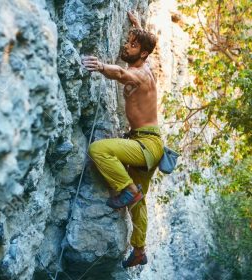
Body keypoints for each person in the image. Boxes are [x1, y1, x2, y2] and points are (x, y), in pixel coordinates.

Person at [82, 11, 163, 268]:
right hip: (149, 145)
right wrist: (137, 26)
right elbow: (143, 49)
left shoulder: (139, 74)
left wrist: (102, 67)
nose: (125, 46)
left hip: (145, 145)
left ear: (142, 55)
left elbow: (120, 74)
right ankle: (139, 250)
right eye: (128, 42)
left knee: (99, 150)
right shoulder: (144, 63)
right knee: (139, 202)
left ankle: (127, 190)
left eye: (132, 45)